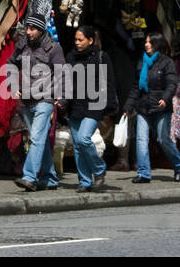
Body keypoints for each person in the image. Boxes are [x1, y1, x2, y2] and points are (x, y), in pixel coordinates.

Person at [122, 32, 180, 183]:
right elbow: (137, 86)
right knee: (141, 139)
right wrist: (128, 106)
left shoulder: (167, 62)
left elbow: (172, 83)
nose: (146, 44)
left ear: (157, 45)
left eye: (149, 42)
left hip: (161, 108)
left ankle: (178, 166)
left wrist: (165, 98)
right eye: (146, 42)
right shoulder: (142, 62)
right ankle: (143, 173)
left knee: (163, 139)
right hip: (143, 107)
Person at [11, 13, 63, 192]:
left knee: (36, 138)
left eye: (32, 29)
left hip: (45, 99)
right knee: (39, 139)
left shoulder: (53, 48)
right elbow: (11, 64)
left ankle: (30, 177)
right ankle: (50, 178)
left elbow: (61, 74)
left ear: (41, 30)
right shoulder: (22, 44)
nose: (28, 31)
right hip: (26, 100)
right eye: (27, 28)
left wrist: (61, 97)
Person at [64, 24, 117, 193]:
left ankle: (99, 170)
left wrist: (109, 106)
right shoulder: (70, 57)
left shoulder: (101, 57)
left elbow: (109, 82)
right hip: (74, 106)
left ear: (90, 40)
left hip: (94, 105)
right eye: (75, 40)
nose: (77, 43)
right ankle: (85, 181)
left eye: (81, 40)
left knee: (83, 139)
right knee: (78, 146)